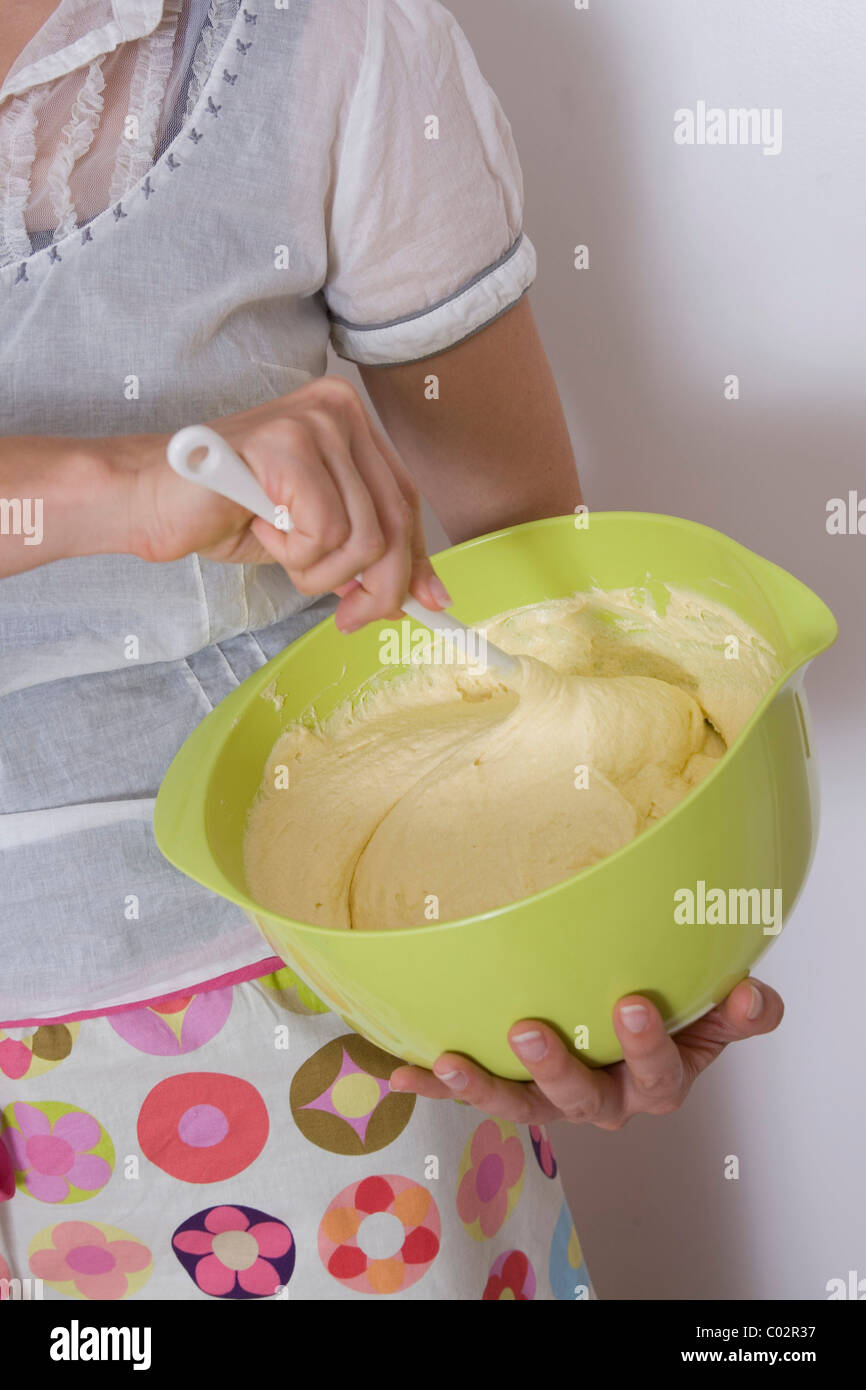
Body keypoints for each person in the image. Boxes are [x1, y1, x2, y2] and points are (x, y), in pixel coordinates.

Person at [0, 0, 782, 1301]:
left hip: (287, 1021)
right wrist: (114, 487)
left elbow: (522, 562)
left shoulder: (325, 37)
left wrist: (613, 942)